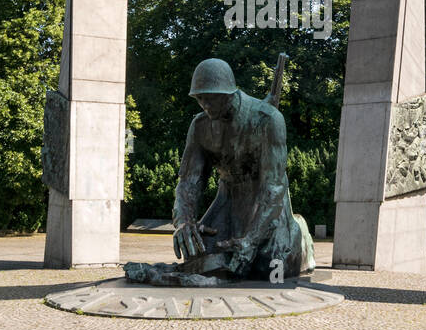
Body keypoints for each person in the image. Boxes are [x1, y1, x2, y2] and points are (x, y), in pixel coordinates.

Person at [124, 58, 315, 287]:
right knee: (198, 255)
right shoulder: (200, 126)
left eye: (210, 98)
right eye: (199, 98)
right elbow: (189, 181)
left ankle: (298, 231)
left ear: (227, 93)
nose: (204, 104)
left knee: (271, 267)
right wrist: (185, 222)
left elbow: (273, 187)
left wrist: (252, 240)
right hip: (228, 200)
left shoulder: (269, 120)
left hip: (267, 206)